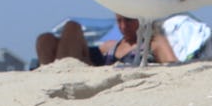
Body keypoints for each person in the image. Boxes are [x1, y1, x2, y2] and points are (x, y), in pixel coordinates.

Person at [36, 16, 178, 67]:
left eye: (128, 20)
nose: (123, 26)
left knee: (72, 27)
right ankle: (51, 76)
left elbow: (176, 69)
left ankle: (60, 72)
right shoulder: (110, 46)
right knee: (45, 39)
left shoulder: (155, 43)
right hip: (92, 70)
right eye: (119, 21)